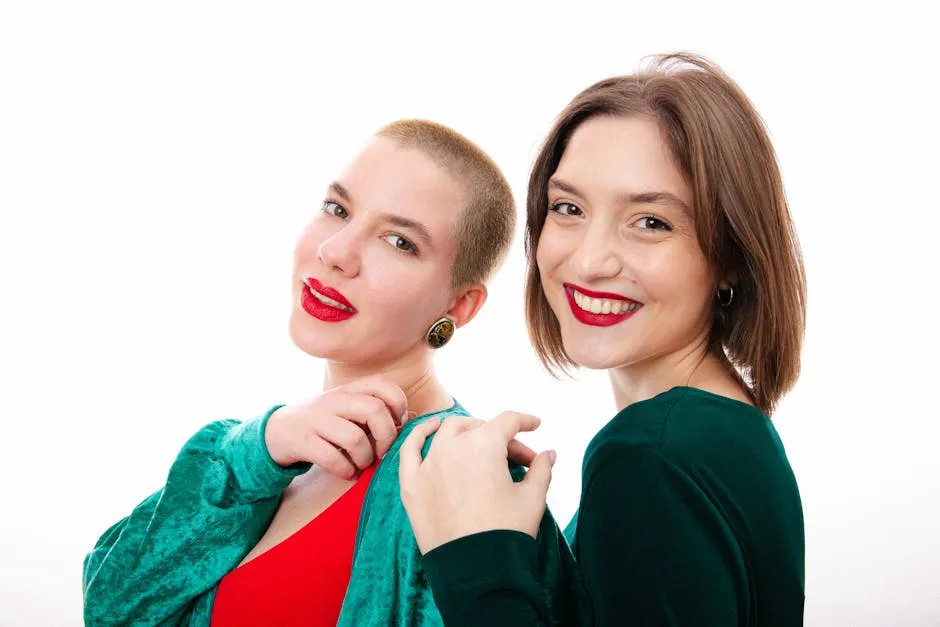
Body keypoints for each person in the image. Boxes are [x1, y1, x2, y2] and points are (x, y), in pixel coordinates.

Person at [82, 119, 583, 626]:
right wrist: (258, 450)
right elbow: (110, 607)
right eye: (337, 209)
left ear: (460, 304)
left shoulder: (463, 481)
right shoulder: (270, 454)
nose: (336, 252)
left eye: (399, 241)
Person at [400, 53, 807, 626]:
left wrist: (476, 554)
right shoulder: (731, 429)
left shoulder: (648, 456)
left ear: (731, 256)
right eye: (568, 208)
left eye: (651, 222)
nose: (588, 262)